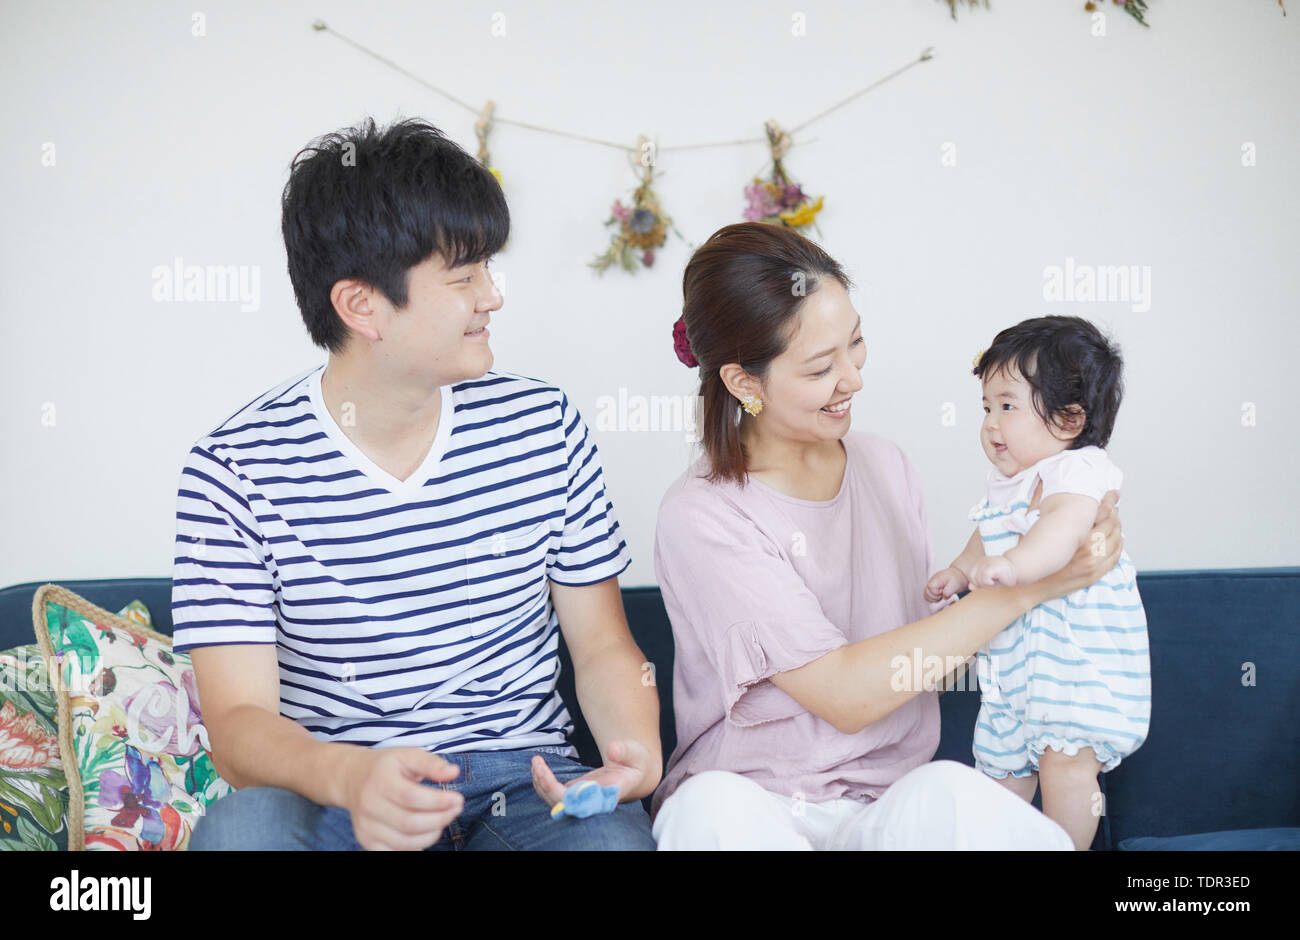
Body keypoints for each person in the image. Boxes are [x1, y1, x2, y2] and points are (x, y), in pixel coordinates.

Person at [173, 116, 659, 851]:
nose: (492, 297)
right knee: (245, 834)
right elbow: (239, 725)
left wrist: (634, 756)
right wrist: (349, 780)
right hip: (345, 789)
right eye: (464, 278)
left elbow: (600, 644)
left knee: (612, 845)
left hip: (521, 783)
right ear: (361, 306)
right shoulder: (234, 469)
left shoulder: (543, 423)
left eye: (487, 270)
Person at [651, 221, 1123, 850]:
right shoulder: (702, 514)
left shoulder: (886, 465)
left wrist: (1060, 533)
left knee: (951, 795)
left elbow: (933, 640)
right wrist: (1028, 589)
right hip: (757, 809)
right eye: (822, 366)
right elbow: (845, 695)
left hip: (886, 806)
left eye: (857, 343)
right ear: (744, 383)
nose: (854, 377)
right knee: (709, 809)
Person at [926, 316, 1150, 849]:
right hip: (1017, 675)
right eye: (985, 407)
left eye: (1006, 406)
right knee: (999, 779)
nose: (989, 423)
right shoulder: (1008, 483)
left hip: (1076, 667)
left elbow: (1062, 530)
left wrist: (1017, 568)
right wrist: (960, 571)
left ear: (1070, 419)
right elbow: (987, 537)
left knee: (1067, 769)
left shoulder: (1079, 472)